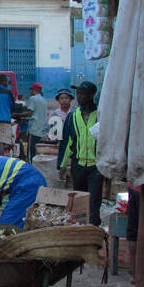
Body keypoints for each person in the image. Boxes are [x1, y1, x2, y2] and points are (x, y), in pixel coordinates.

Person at [60, 81, 103, 226]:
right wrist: (62, 164)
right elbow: (66, 142)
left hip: (95, 167)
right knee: (78, 201)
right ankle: (79, 229)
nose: (79, 97)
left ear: (91, 95)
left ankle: (93, 229)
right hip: (78, 166)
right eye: (78, 94)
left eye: (83, 94)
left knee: (94, 201)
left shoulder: (100, 115)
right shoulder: (72, 116)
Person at [27, 83, 48, 159]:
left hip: (34, 129)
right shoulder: (44, 100)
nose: (30, 92)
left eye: (31, 90)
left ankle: (31, 168)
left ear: (35, 90)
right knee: (38, 152)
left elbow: (30, 113)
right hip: (42, 131)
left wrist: (17, 115)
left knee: (31, 153)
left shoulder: (33, 98)